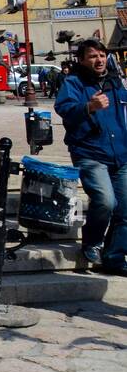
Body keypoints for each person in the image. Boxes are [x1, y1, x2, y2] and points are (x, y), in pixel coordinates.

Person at [54, 38, 127, 274]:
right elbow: (64, 110)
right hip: (90, 152)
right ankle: (92, 241)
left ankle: (114, 257)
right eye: (93, 56)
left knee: (125, 209)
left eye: (102, 55)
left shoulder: (116, 83)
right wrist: (88, 107)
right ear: (83, 60)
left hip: (121, 153)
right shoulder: (74, 82)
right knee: (106, 201)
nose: (99, 60)